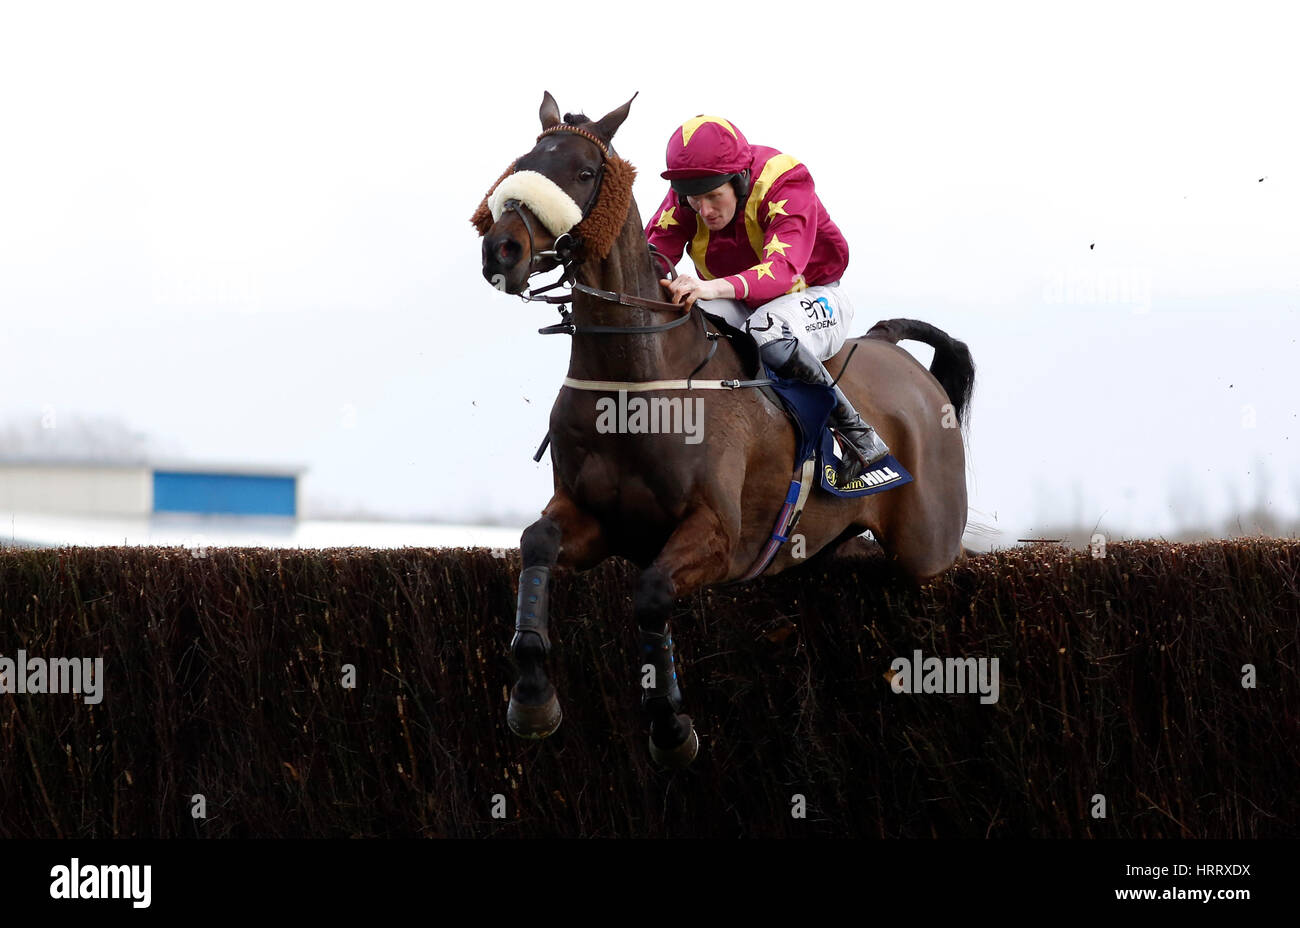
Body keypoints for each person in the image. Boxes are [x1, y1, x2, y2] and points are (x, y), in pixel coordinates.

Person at [644, 115, 889, 482]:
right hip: (742, 299)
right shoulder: (689, 196)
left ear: (740, 180)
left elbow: (782, 269)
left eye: (714, 197)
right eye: (695, 199)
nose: (704, 210)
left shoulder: (786, 181)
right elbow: (649, 260)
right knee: (684, 318)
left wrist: (707, 287)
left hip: (813, 295)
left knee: (765, 327)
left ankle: (858, 436)